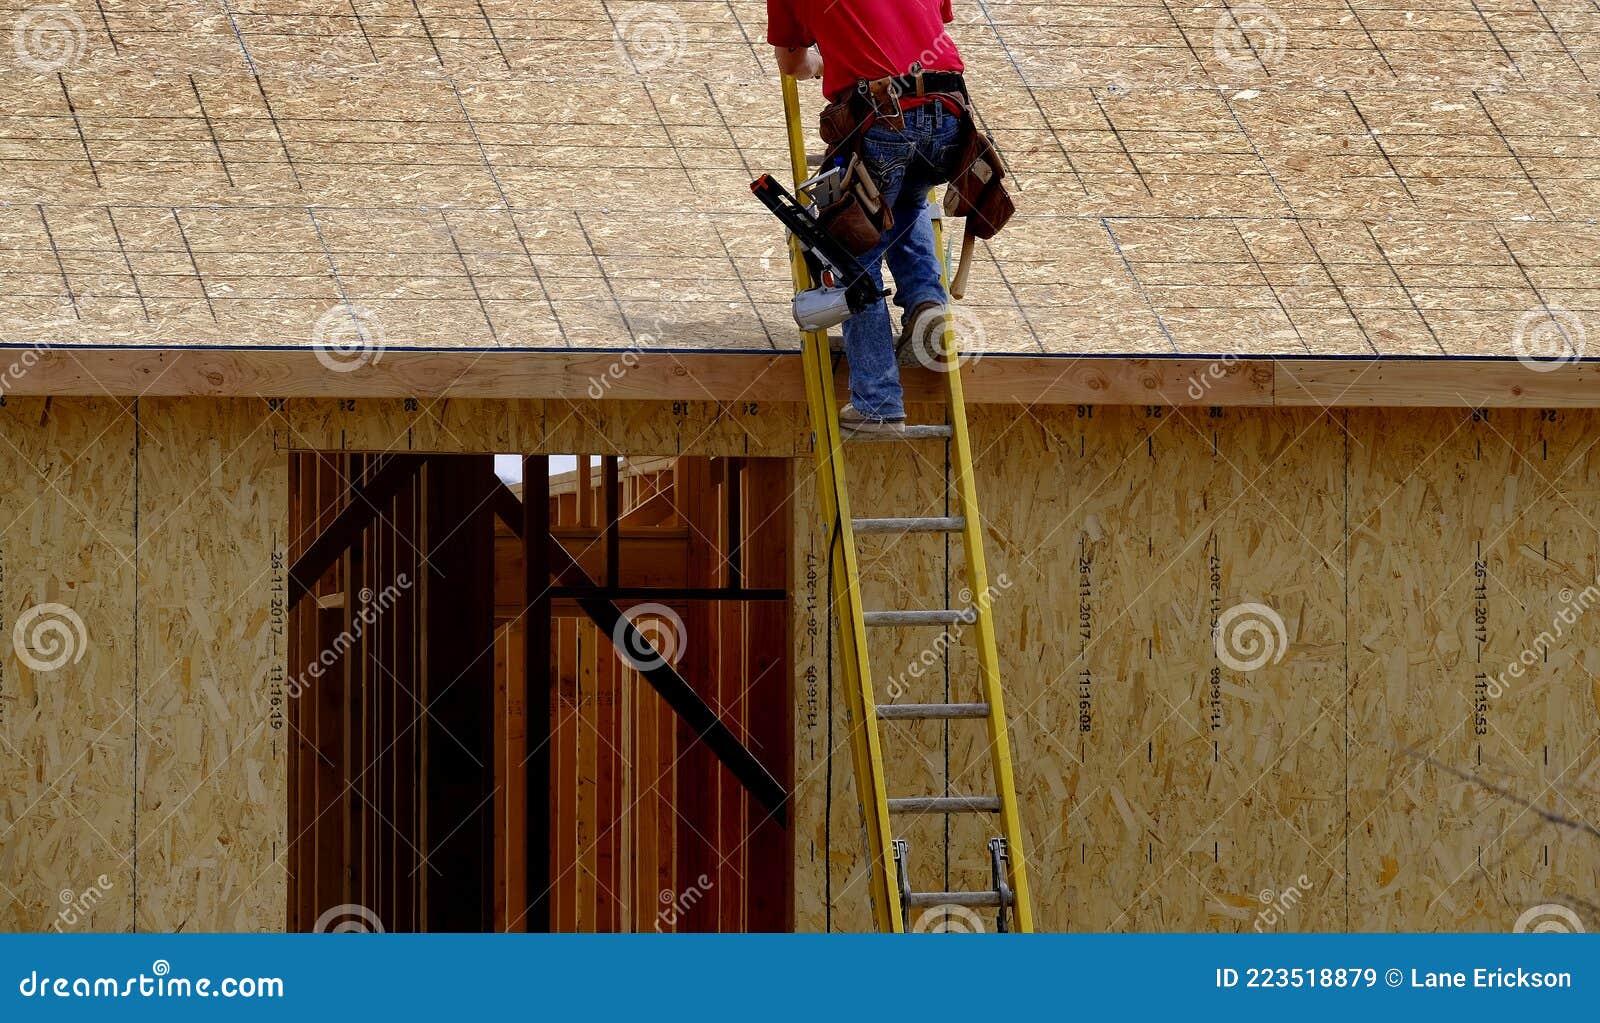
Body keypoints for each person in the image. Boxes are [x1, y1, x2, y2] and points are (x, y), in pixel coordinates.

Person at [767, 0, 968, 434]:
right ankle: (924, 302)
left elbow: (792, 61)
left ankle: (877, 404)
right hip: (950, 114)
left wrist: (822, 63)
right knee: (904, 203)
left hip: (884, 116)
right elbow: (930, 25)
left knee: (852, 247)